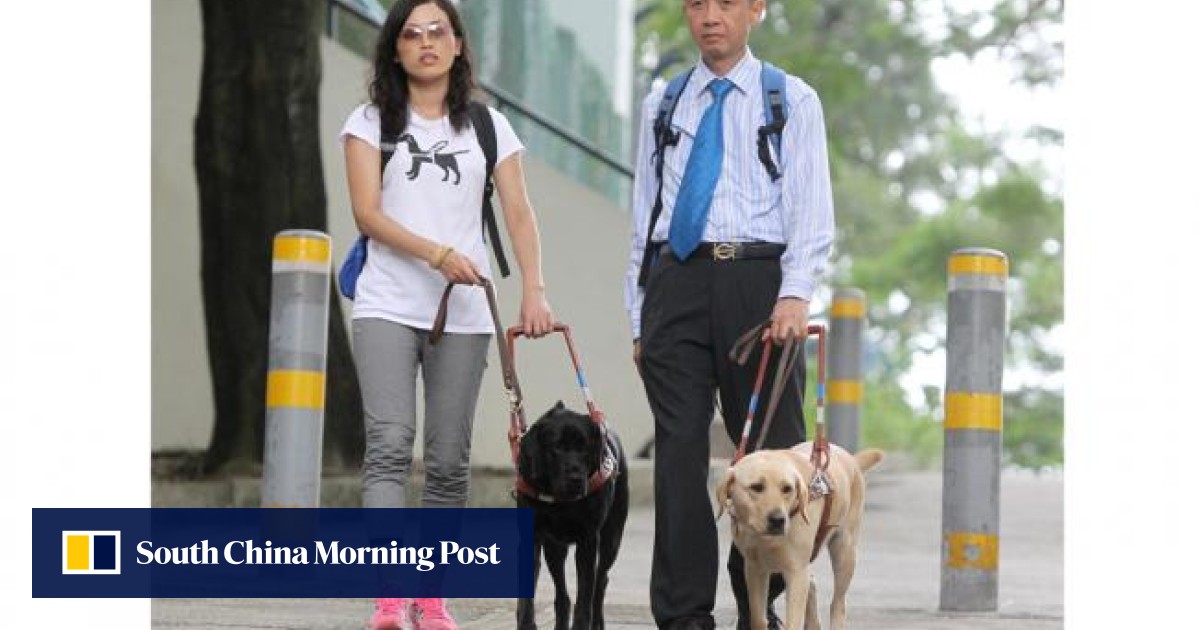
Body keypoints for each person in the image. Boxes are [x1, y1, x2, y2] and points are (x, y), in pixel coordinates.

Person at [339, 1, 555, 628]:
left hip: (465, 313)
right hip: (386, 302)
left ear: (458, 46)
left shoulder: (489, 127)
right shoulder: (369, 122)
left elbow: (519, 212)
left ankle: (429, 596)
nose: (426, 43)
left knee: (449, 458)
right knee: (387, 447)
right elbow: (367, 214)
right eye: (411, 34)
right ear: (395, 49)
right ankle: (387, 598)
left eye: (438, 32)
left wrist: (533, 290)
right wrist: (437, 253)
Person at [624, 1, 835, 628]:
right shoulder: (663, 104)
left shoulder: (790, 100)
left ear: (756, 10)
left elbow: (812, 209)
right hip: (676, 282)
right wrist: (640, 319)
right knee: (679, 455)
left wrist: (795, 293)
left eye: (725, 3)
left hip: (758, 284)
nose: (709, 16)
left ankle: (759, 607)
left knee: (772, 459)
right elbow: (643, 216)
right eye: (696, 3)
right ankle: (685, 616)